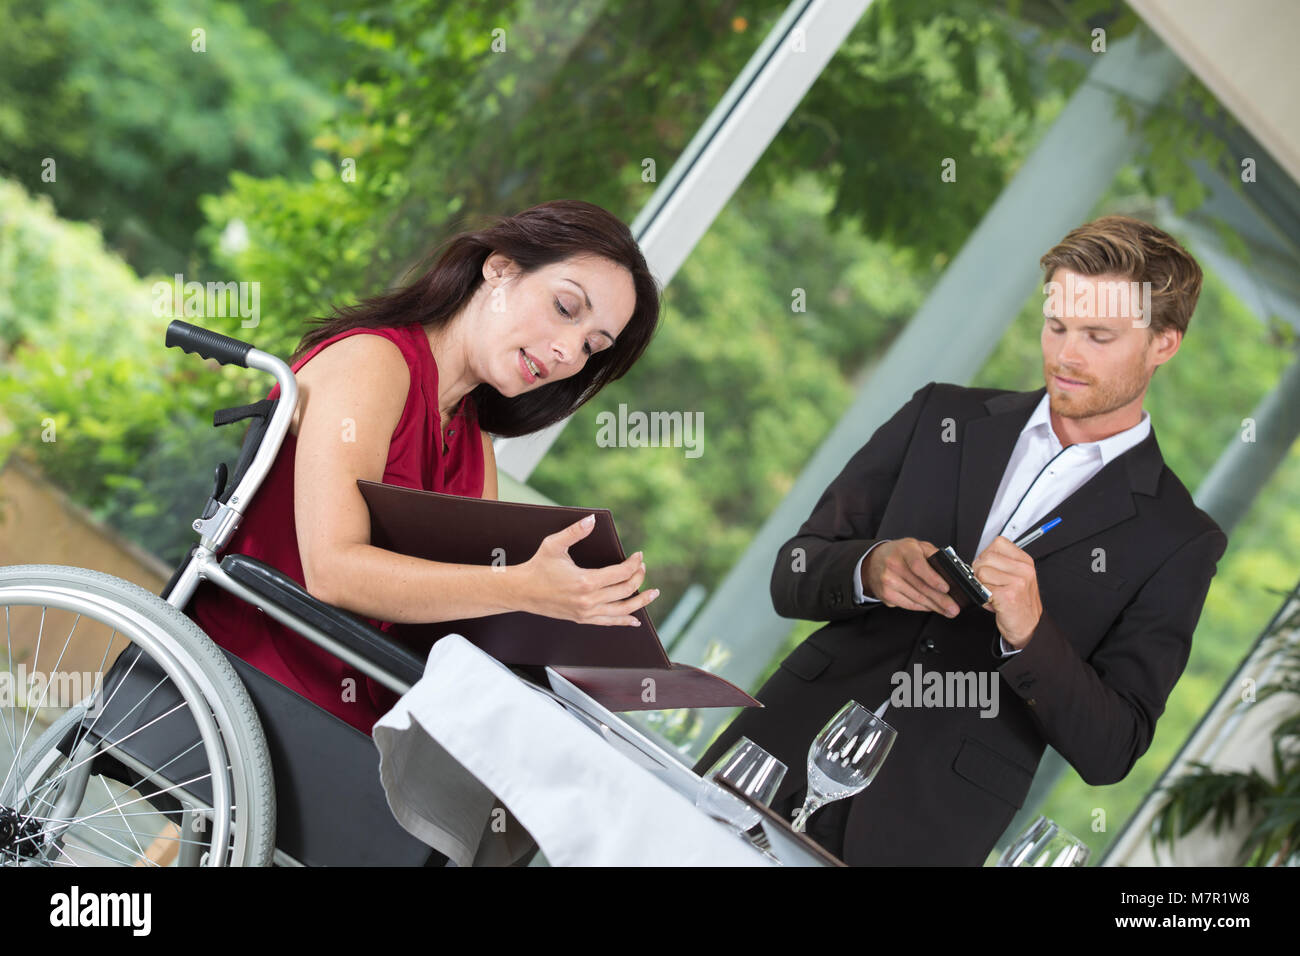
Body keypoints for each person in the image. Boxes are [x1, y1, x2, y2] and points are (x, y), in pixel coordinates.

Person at [694, 214, 1229, 866]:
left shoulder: (1179, 538)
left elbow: (1113, 747)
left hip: (922, 834)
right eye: (1057, 325)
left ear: (1164, 344)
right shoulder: (940, 414)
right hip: (774, 753)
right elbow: (793, 571)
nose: (1066, 354)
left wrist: (1032, 634)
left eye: (1098, 335)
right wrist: (868, 568)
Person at [189, 199, 662, 736]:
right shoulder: (373, 363)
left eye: (591, 346)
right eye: (566, 308)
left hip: (372, 700)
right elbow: (333, 572)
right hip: (259, 682)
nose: (567, 352)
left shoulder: (472, 437)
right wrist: (522, 587)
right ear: (501, 268)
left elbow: (455, 605)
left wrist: (568, 617)